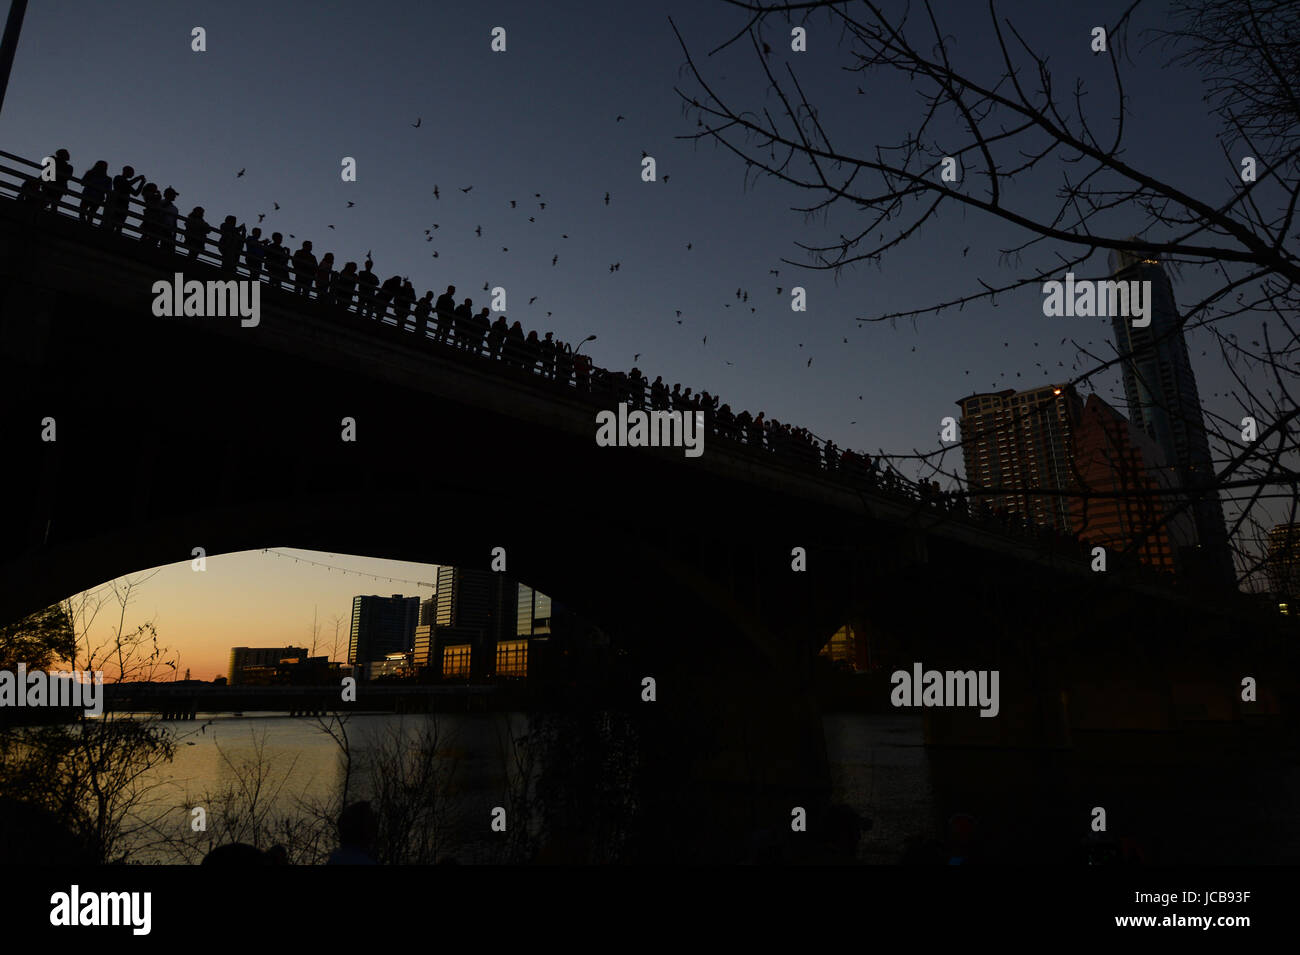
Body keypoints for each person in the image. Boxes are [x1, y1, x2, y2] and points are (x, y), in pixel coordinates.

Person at [104, 165, 145, 235]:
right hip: (115, 203)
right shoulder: (118, 178)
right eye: (131, 172)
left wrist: (141, 183)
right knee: (111, 223)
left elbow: (135, 193)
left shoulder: (126, 183)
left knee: (119, 225)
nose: (132, 174)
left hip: (124, 205)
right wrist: (138, 179)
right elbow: (126, 184)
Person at [77, 160, 111, 225]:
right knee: (88, 212)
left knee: (85, 211)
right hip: (94, 196)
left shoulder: (90, 173)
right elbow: (108, 191)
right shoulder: (107, 179)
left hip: (92, 195)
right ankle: (86, 224)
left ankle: (84, 224)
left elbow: (82, 182)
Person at [42, 148, 73, 213]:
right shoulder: (68, 167)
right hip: (57, 185)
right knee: (52, 203)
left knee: (47, 202)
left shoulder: (68, 166)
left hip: (52, 184)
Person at [158, 187, 180, 254]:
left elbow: (174, 221)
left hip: (169, 230)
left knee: (169, 246)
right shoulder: (160, 202)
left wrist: (175, 232)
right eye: (172, 194)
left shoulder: (175, 208)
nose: (174, 196)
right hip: (159, 226)